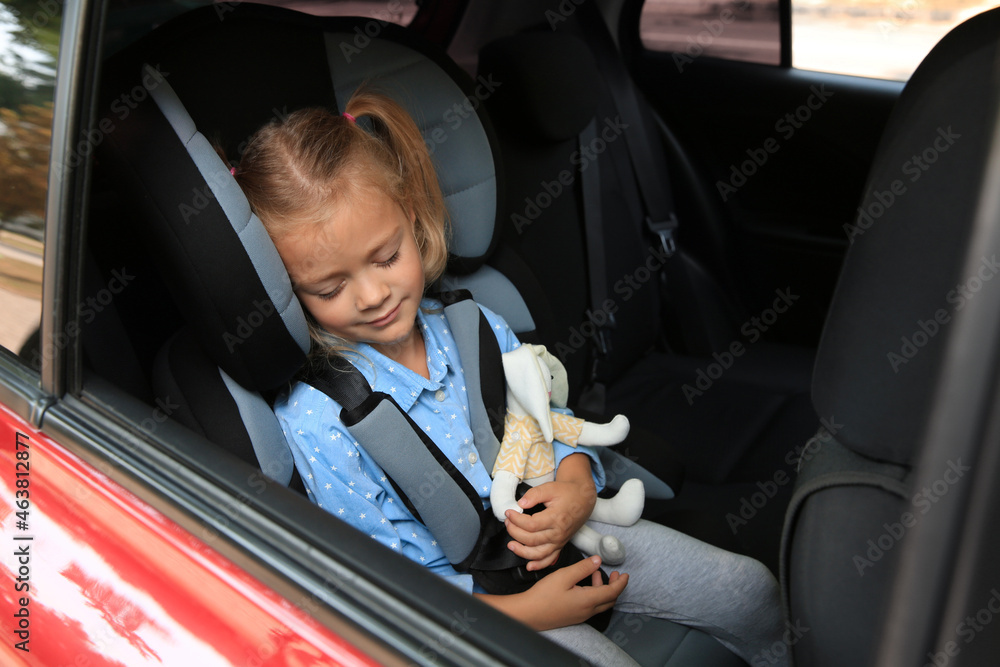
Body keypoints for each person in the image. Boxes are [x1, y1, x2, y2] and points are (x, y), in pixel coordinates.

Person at [226, 88, 790, 667]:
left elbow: (549, 424)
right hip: (468, 606)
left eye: (386, 256)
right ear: (286, 294)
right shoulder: (321, 419)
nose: (373, 296)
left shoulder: (474, 326)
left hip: (565, 528)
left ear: (414, 223)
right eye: (329, 288)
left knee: (750, 590)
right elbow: (386, 590)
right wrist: (533, 613)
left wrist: (575, 487)